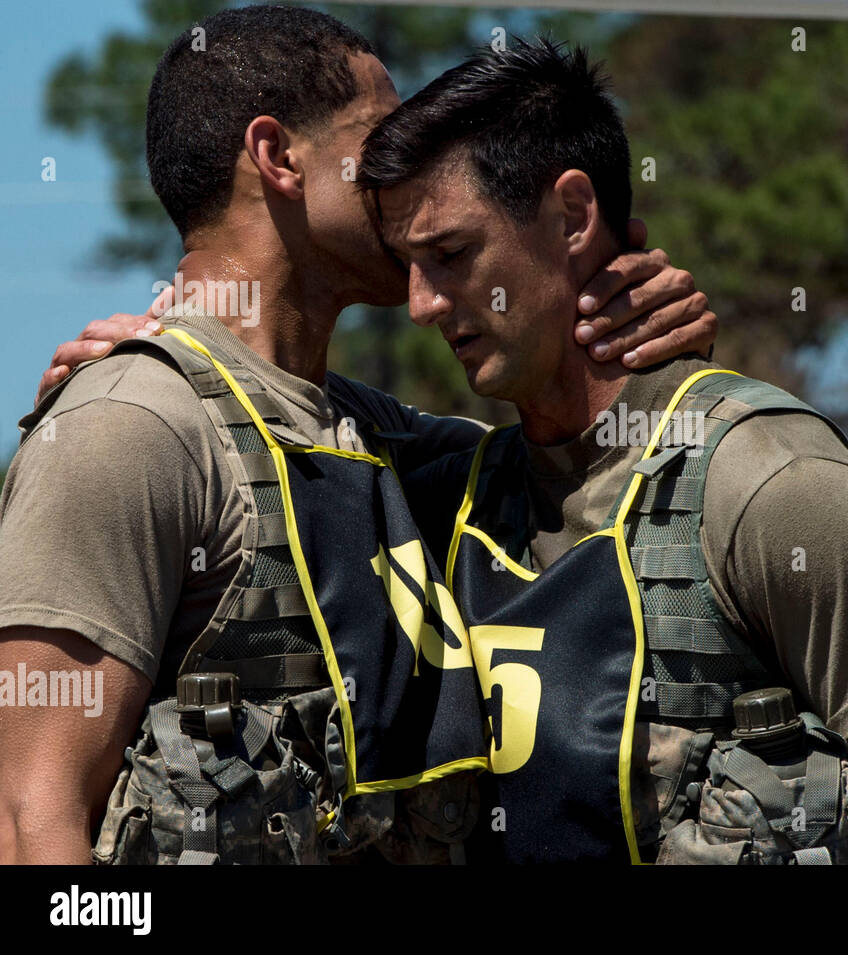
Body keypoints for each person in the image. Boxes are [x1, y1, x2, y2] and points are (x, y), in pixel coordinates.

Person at [0, 6, 716, 865]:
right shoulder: (130, 426)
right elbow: (31, 821)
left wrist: (638, 332)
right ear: (278, 158)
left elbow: (593, 479)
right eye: (378, 139)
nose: (405, 167)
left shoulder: (389, 445)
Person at [359, 39, 848, 863]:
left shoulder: (769, 479)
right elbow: (236, 388)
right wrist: (142, 339)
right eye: (406, 266)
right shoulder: (437, 490)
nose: (420, 304)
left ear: (572, 215)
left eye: (449, 255)